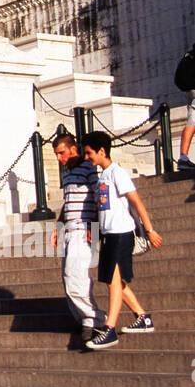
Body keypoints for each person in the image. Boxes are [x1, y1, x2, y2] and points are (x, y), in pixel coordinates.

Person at [81, 133, 163, 349]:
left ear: (102, 151)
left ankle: (109, 329)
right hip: (108, 234)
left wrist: (150, 229)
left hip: (122, 233)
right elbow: (103, 210)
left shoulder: (118, 173)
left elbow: (137, 202)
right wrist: (97, 234)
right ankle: (143, 317)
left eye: (89, 152)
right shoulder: (102, 177)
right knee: (113, 279)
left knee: (113, 281)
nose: (87, 157)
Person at [50, 133, 106, 336]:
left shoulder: (90, 167)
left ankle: (96, 318)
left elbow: (99, 197)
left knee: (76, 278)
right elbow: (69, 201)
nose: (59, 158)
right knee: (68, 279)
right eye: (56, 154)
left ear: (73, 149)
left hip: (84, 229)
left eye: (61, 153)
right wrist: (58, 227)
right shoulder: (67, 172)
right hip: (69, 229)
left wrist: (95, 226)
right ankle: (85, 319)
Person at [175, 40, 195, 170]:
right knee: (192, 122)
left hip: (191, 90)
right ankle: (183, 157)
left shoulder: (190, 55)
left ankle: (183, 158)